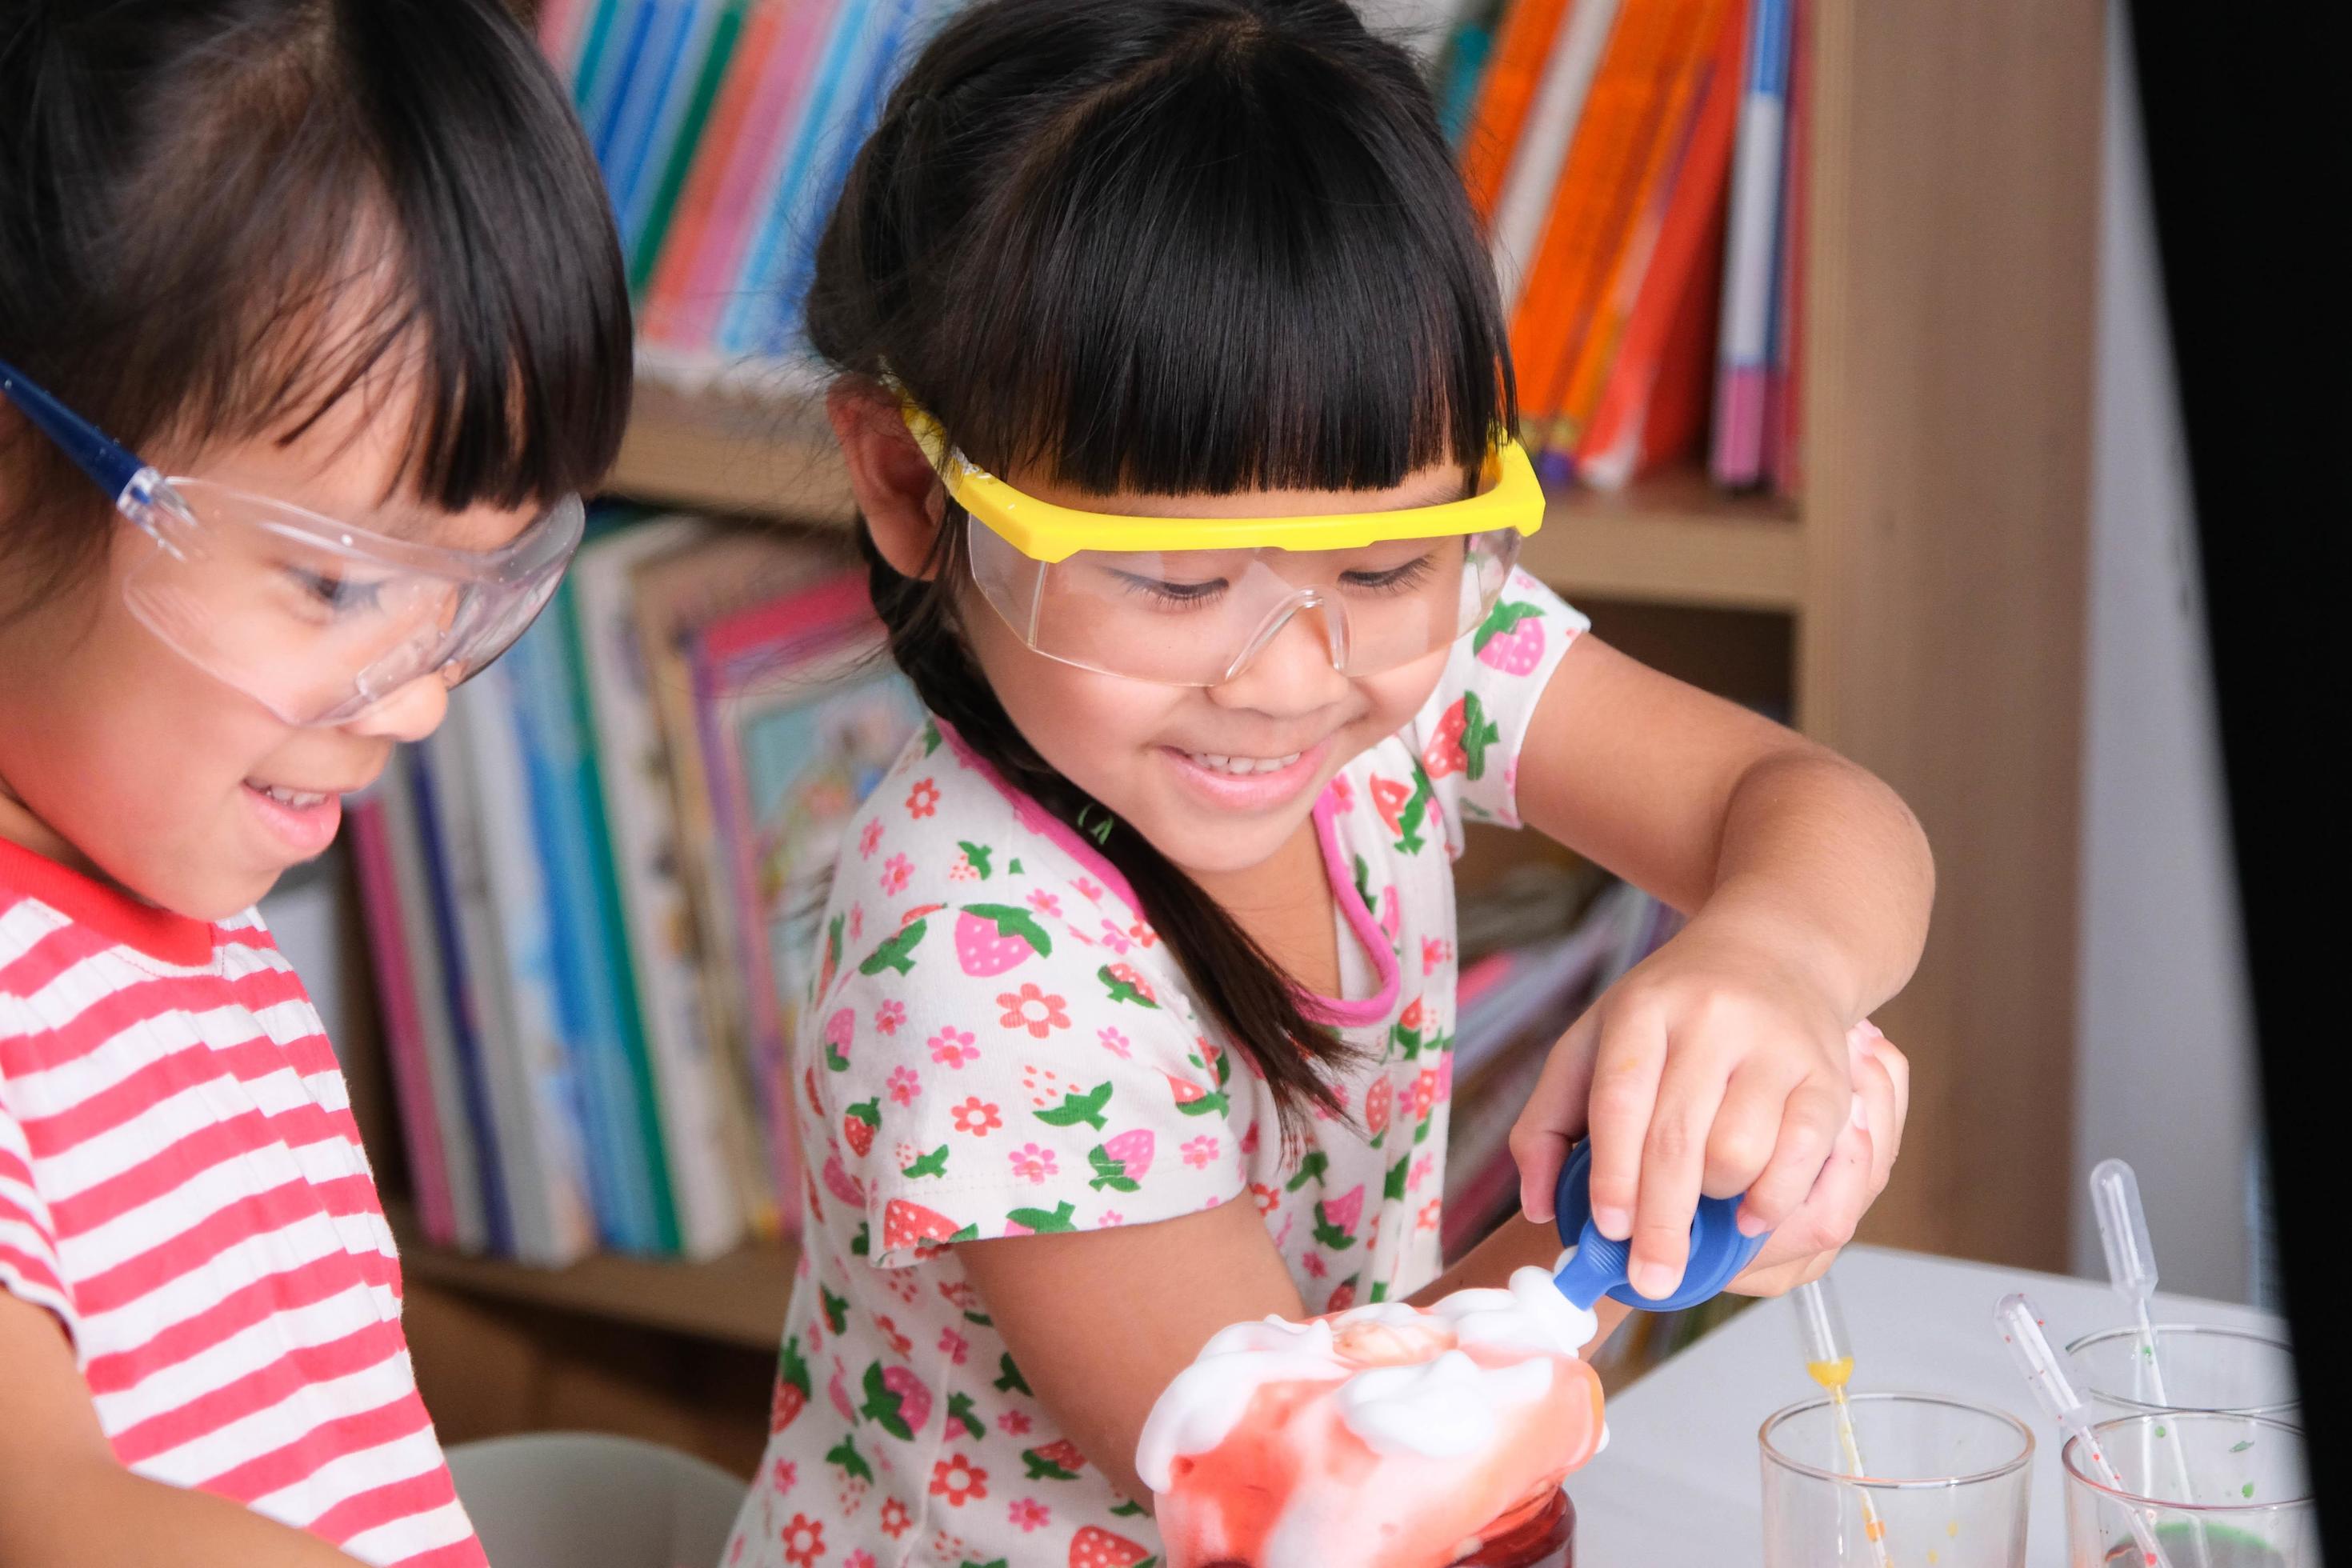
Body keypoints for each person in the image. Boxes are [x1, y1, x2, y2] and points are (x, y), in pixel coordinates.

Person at [731, 3, 1926, 1565]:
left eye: (1387, 559)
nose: (1294, 672)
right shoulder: (975, 951)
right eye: (1172, 581)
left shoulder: (1399, 658)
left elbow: (1817, 810)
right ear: (907, 479)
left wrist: (1776, 955)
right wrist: (1640, 1203)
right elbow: (1309, 1487)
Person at [0, 2, 633, 1563]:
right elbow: (48, 1508)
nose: (418, 696)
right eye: (340, 586)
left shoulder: (184, 942)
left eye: (478, 590)